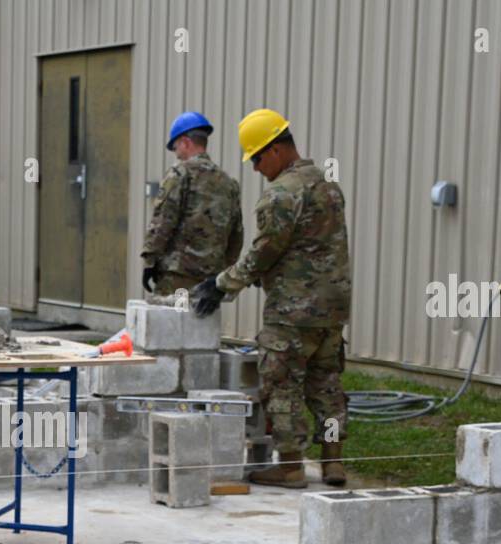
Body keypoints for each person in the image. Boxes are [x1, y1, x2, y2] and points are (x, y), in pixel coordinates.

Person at [194, 109, 351, 488]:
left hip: (292, 312)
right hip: (332, 310)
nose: (256, 168)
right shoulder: (328, 185)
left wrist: (220, 284)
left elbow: (262, 253)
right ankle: (333, 463)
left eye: (257, 158)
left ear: (277, 149)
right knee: (327, 386)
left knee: (281, 385)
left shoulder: (281, 194)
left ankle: (291, 466)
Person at [141, 111, 243, 300]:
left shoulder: (180, 174)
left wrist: (150, 261)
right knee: (201, 319)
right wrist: (224, 273)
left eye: (176, 147)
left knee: (174, 317)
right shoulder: (229, 183)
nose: (176, 154)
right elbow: (236, 235)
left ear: (186, 142)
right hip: (210, 282)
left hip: (177, 278)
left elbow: (163, 221)